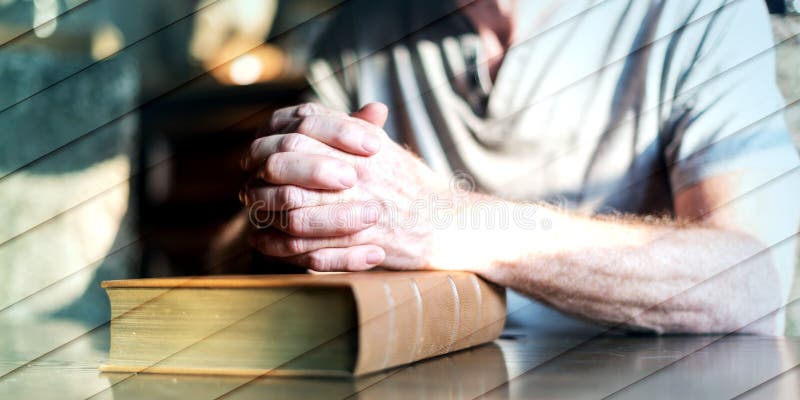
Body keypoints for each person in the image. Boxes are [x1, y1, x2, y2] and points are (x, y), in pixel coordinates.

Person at [239, 0, 800, 334]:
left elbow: (750, 281)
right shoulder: (355, 34)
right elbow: (297, 253)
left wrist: (446, 222)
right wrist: (283, 215)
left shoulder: (699, 12)